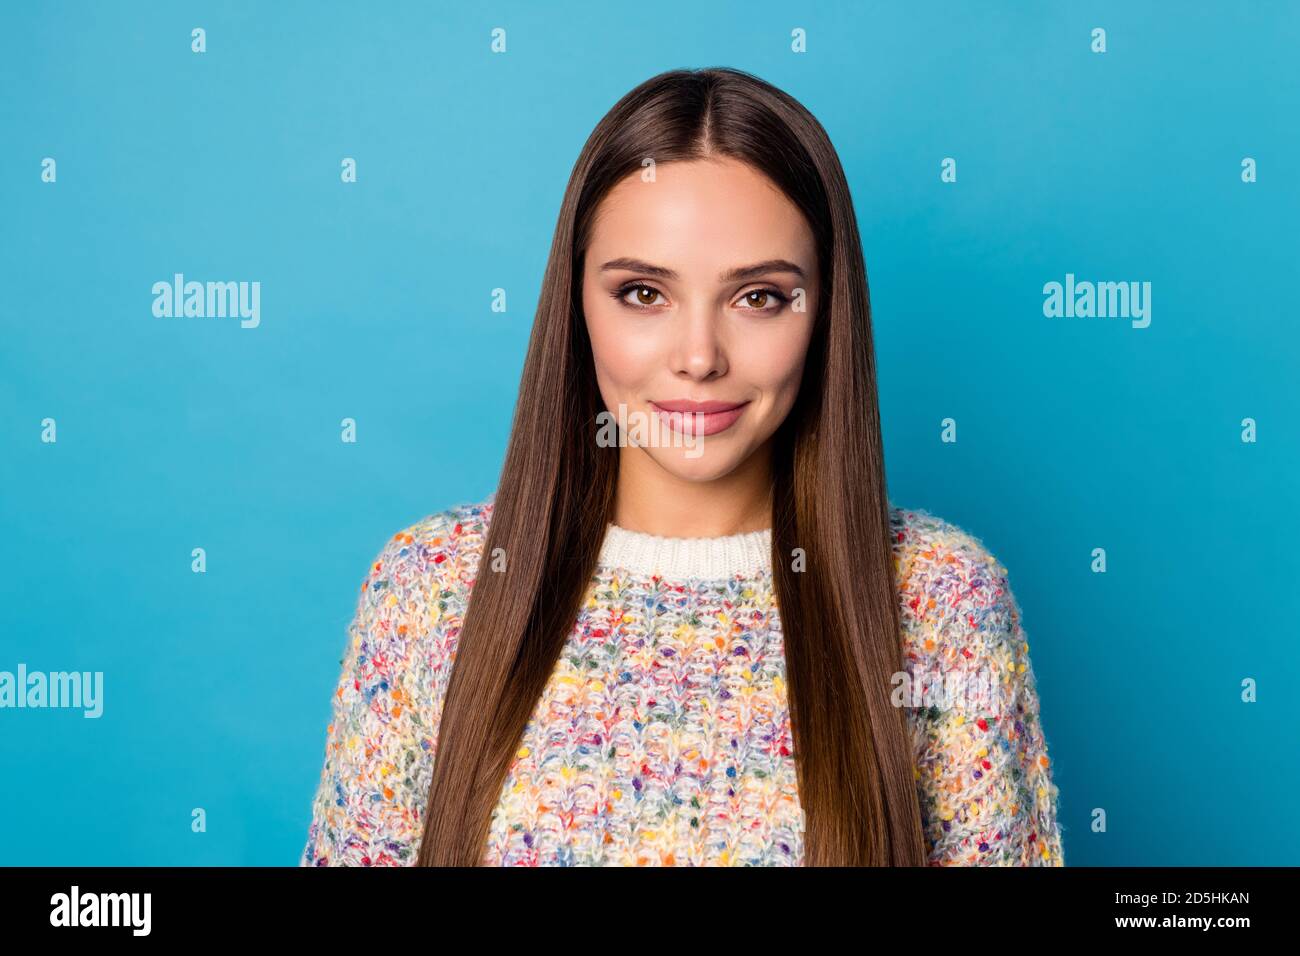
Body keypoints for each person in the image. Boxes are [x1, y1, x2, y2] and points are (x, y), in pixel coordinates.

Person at [300, 66, 1064, 867]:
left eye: (760, 297)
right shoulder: (431, 591)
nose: (699, 357)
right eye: (642, 293)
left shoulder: (941, 602)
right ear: (578, 305)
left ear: (827, 312)